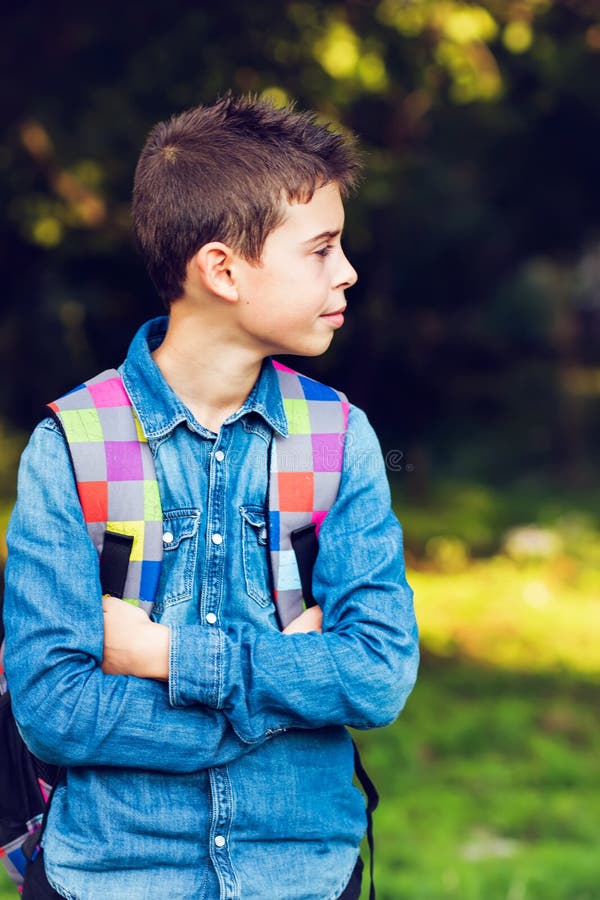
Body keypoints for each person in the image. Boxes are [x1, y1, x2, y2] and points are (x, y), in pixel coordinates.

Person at [4, 95, 419, 900]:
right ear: (223, 268)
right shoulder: (72, 447)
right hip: (112, 874)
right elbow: (53, 708)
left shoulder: (340, 438)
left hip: (303, 872)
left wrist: (163, 658)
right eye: (322, 248)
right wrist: (281, 694)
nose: (348, 272)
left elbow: (376, 674)